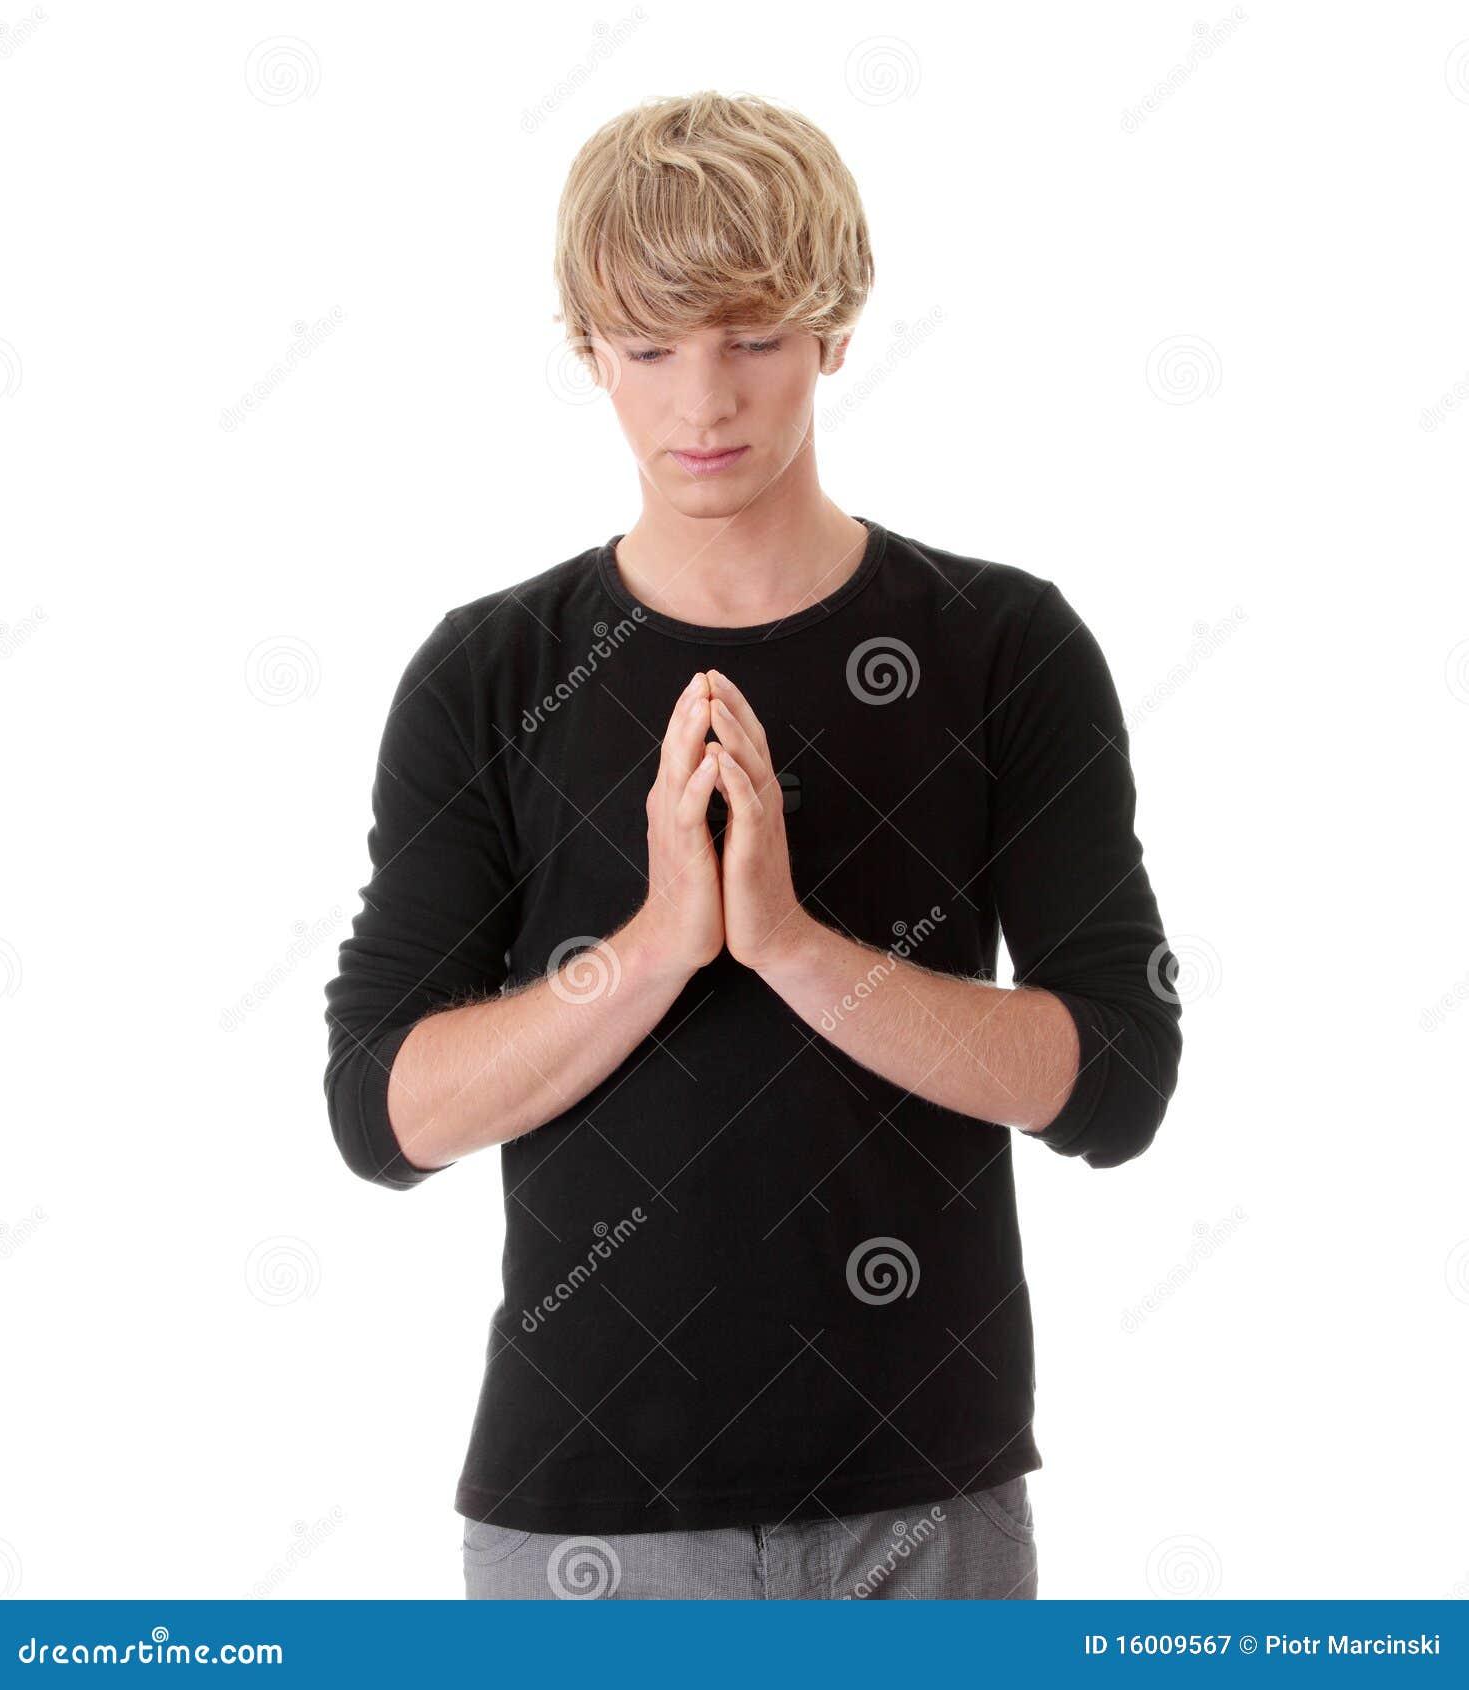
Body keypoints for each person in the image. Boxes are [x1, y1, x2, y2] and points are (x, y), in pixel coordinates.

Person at [322, 90, 1183, 1601]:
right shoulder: (491, 670)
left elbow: (1110, 1083)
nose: (699, 402)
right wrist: (660, 943)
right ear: (586, 348)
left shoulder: (1001, 645)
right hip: (580, 1519)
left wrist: (786, 940)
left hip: (930, 1505)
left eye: (750, 339)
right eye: (646, 348)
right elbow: (385, 1118)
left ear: (835, 331)